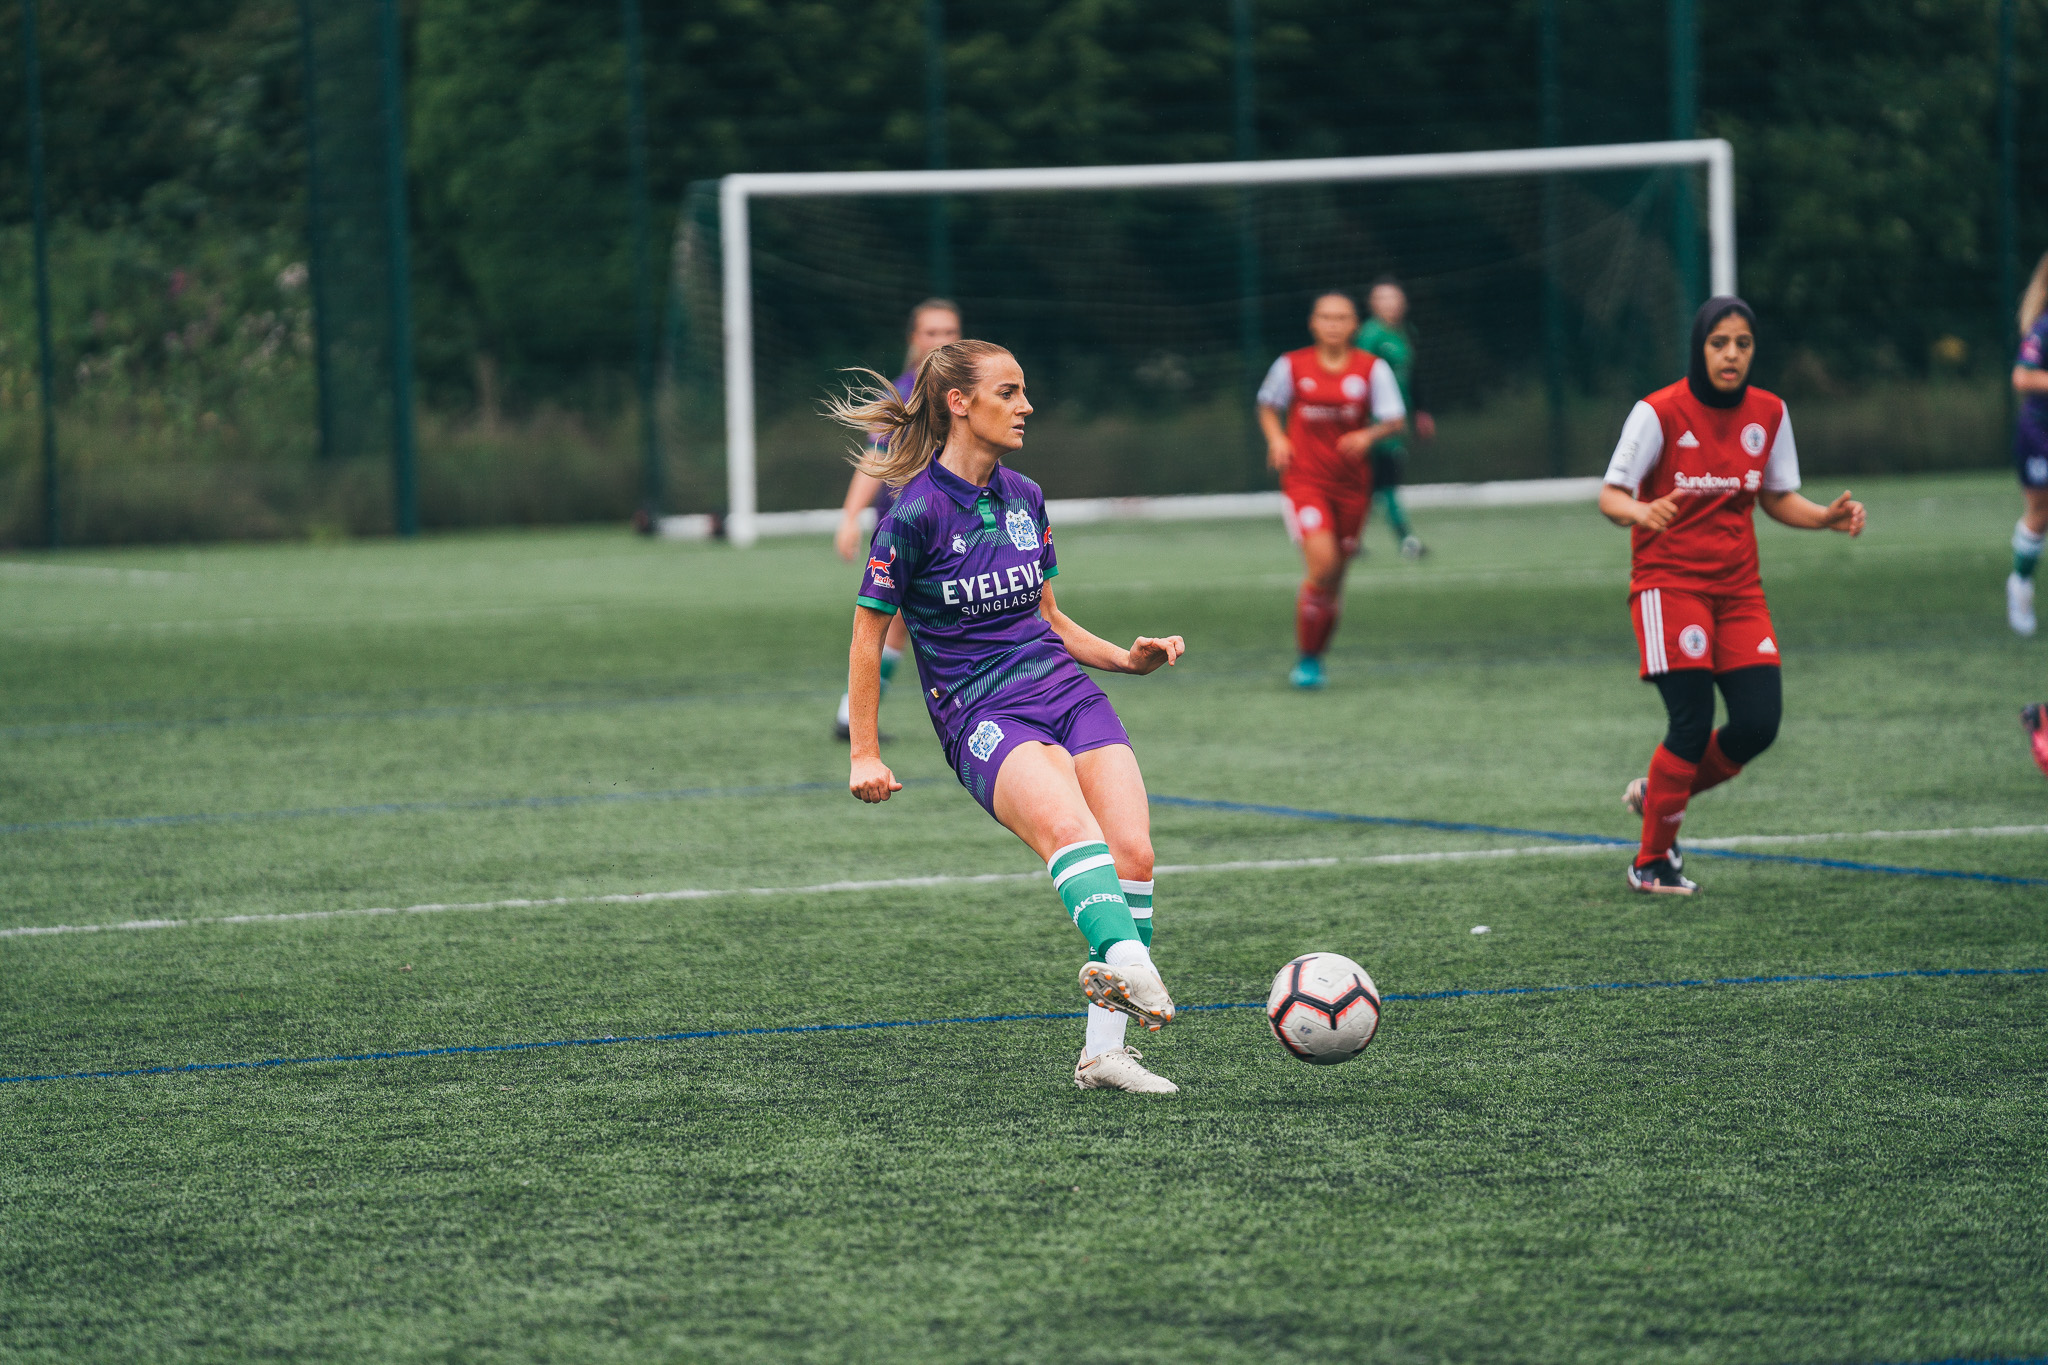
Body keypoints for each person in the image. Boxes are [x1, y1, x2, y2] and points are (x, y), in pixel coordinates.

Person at [830, 339, 1190, 1095]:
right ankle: (1129, 961)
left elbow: (1049, 616)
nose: (1026, 405)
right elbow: (868, 635)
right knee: (1070, 830)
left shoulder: (1025, 496)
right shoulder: (913, 514)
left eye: (1024, 391)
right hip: (981, 709)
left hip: (1066, 691)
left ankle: (1104, 1055)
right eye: (1009, 392)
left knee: (1133, 854)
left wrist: (1127, 660)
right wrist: (864, 750)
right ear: (959, 403)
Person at [1600, 296, 1864, 894]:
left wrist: (1824, 518)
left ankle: (1659, 795)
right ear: (1699, 348)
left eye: (1743, 344)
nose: (1731, 355)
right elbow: (1611, 495)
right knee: (1691, 724)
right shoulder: (1658, 412)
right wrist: (1641, 511)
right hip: (1669, 586)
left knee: (1757, 724)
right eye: (1719, 343)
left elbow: (1775, 496)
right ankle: (1651, 861)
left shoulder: (1769, 412)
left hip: (1739, 591)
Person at [1259, 291, 1408, 689]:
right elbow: (1268, 404)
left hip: (1352, 488)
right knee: (1323, 567)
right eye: (1326, 317)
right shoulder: (1291, 365)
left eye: (1342, 317)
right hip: (1305, 482)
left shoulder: (1371, 369)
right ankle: (1306, 659)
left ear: (1354, 325)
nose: (1333, 324)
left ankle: (1314, 657)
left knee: (1335, 581)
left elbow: (1395, 419)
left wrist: (1366, 436)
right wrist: (1277, 438)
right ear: (1313, 323)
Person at [833, 299, 963, 739]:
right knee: (894, 620)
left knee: (906, 624)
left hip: (953, 524)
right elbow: (875, 457)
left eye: (949, 332)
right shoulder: (903, 393)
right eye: (931, 332)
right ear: (914, 338)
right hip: (906, 528)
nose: (941, 340)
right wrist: (850, 517)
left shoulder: (970, 392)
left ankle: (849, 717)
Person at [1356, 278, 1438, 559]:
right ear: (1372, 304)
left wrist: (1421, 410)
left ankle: (1349, 540)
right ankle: (1406, 540)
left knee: (1372, 485)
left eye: (1395, 298)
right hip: (1377, 423)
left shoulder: (1405, 332)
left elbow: (1411, 375)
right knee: (1386, 482)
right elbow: (1359, 377)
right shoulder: (1370, 335)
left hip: (1396, 420)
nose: (1391, 304)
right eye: (1383, 298)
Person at [2005, 252, 2048, 636]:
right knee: (2040, 513)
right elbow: (2023, 378)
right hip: (2040, 433)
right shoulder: (2044, 327)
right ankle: (2020, 584)